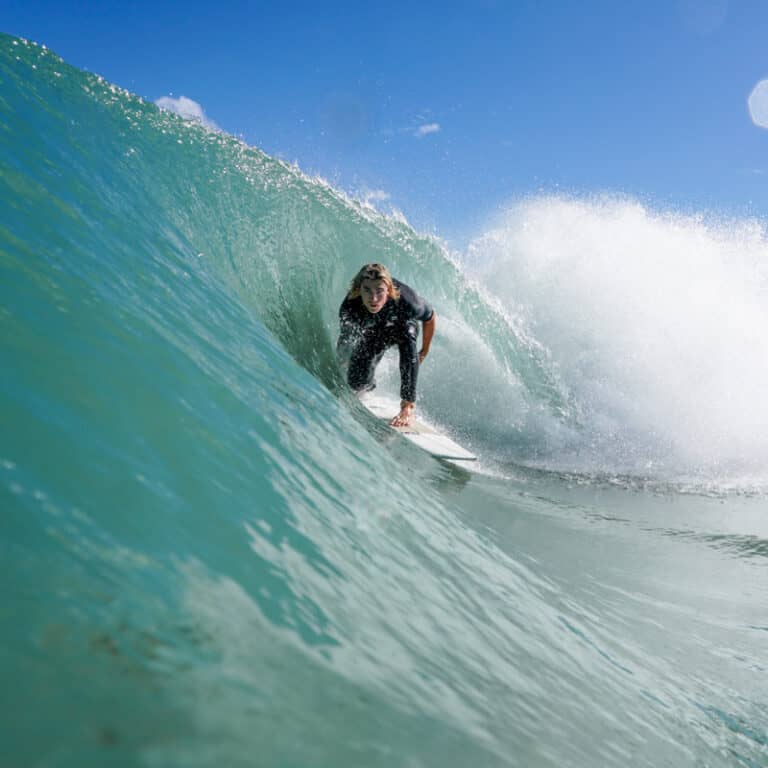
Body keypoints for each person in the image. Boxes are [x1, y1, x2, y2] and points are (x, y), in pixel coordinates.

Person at [337, 263, 436, 427]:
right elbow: (345, 340)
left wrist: (424, 350)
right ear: (358, 289)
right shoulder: (350, 307)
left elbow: (430, 317)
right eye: (367, 290)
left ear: (388, 290)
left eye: (379, 291)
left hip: (403, 324)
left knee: (407, 335)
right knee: (357, 379)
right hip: (378, 330)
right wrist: (342, 362)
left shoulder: (408, 301)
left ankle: (407, 406)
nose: (373, 298)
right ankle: (367, 388)